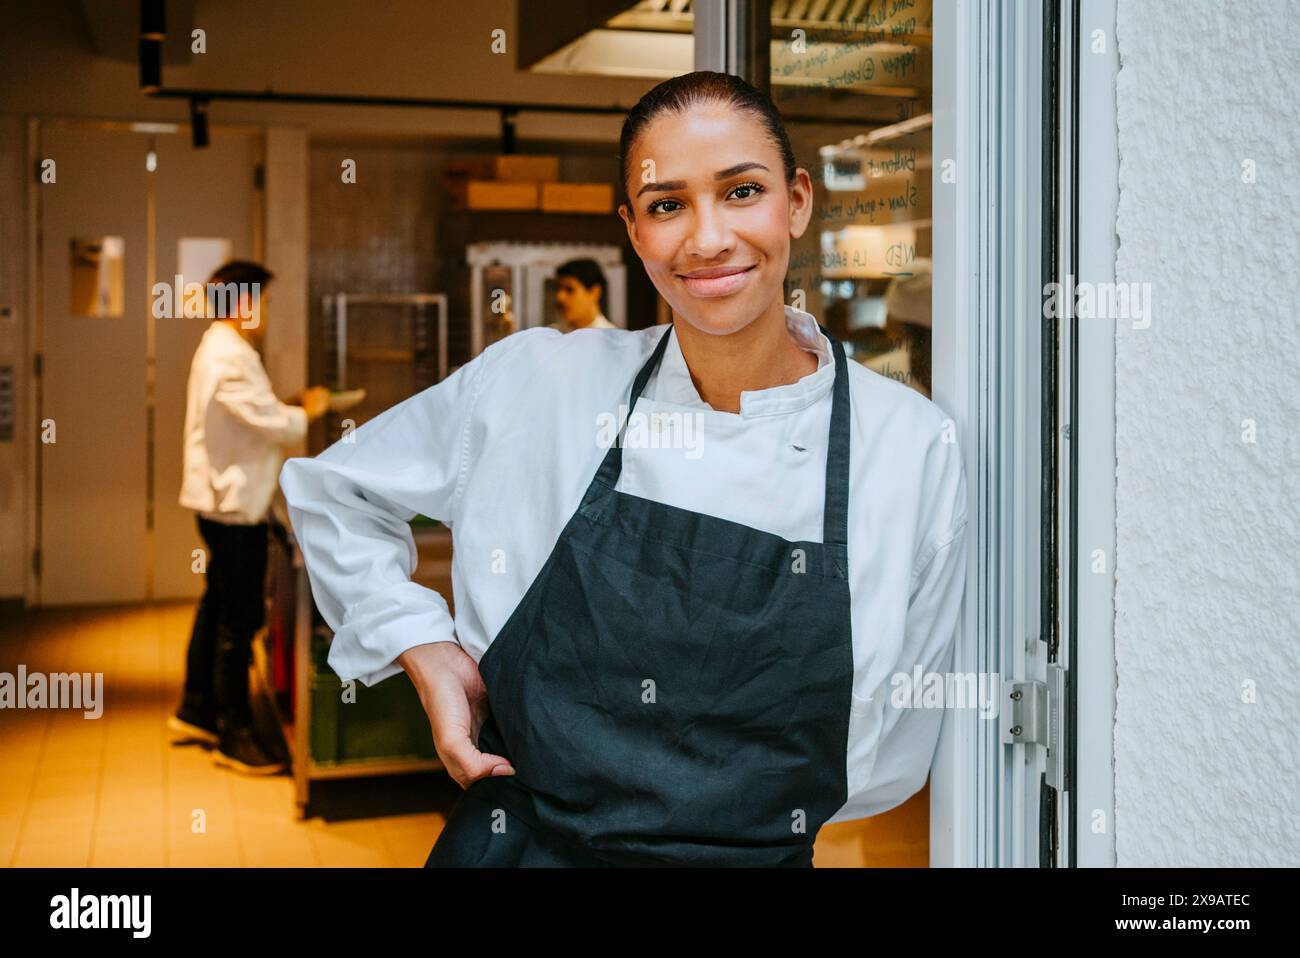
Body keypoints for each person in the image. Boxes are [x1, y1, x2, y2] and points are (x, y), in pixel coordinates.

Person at [280, 71, 968, 866]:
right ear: (635, 232)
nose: (707, 239)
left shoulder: (907, 446)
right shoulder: (542, 384)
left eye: (742, 192)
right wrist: (419, 644)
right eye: (667, 205)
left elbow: (891, 753)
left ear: (799, 201)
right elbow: (335, 491)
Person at [173, 259, 331, 774]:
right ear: (243, 303)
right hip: (233, 505)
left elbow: (249, 413)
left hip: (223, 501)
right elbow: (270, 424)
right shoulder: (230, 354)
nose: (262, 311)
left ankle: (197, 708)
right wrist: (308, 411)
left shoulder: (221, 347)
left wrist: (284, 407)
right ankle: (233, 734)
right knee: (238, 620)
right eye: (261, 301)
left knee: (217, 606)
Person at [548, 258, 615, 332]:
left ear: (594, 292)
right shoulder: (554, 334)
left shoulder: (610, 340)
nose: (559, 297)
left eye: (570, 290)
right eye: (557, 289)